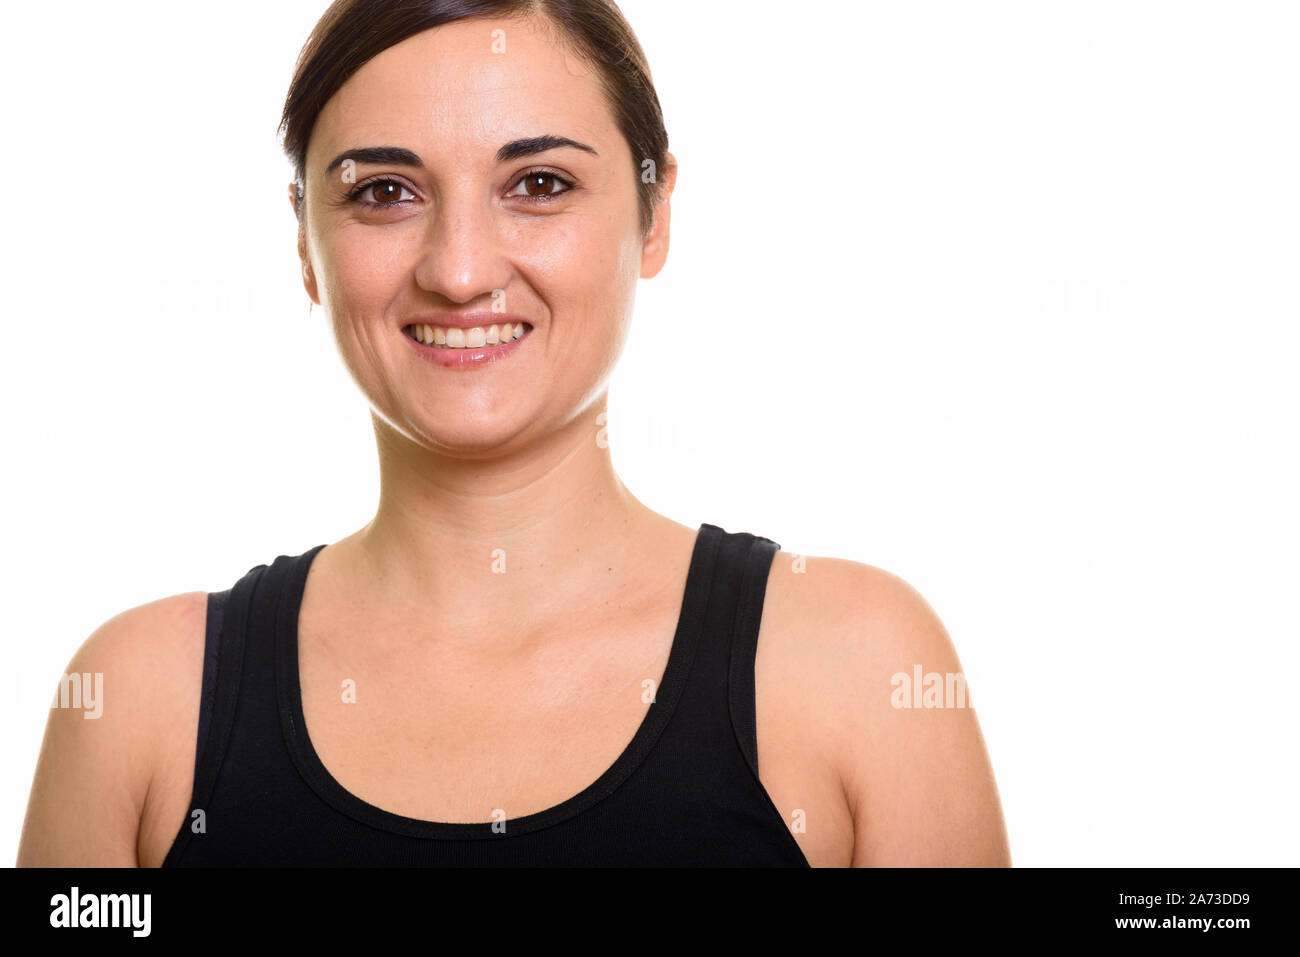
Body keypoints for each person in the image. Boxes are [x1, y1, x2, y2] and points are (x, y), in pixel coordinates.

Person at [18, 0, 1010, 867]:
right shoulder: (142, 708)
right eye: (382, 192)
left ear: (655, 212)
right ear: (304, 245)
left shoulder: (858, 672)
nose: (457, 268)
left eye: (537, 185)